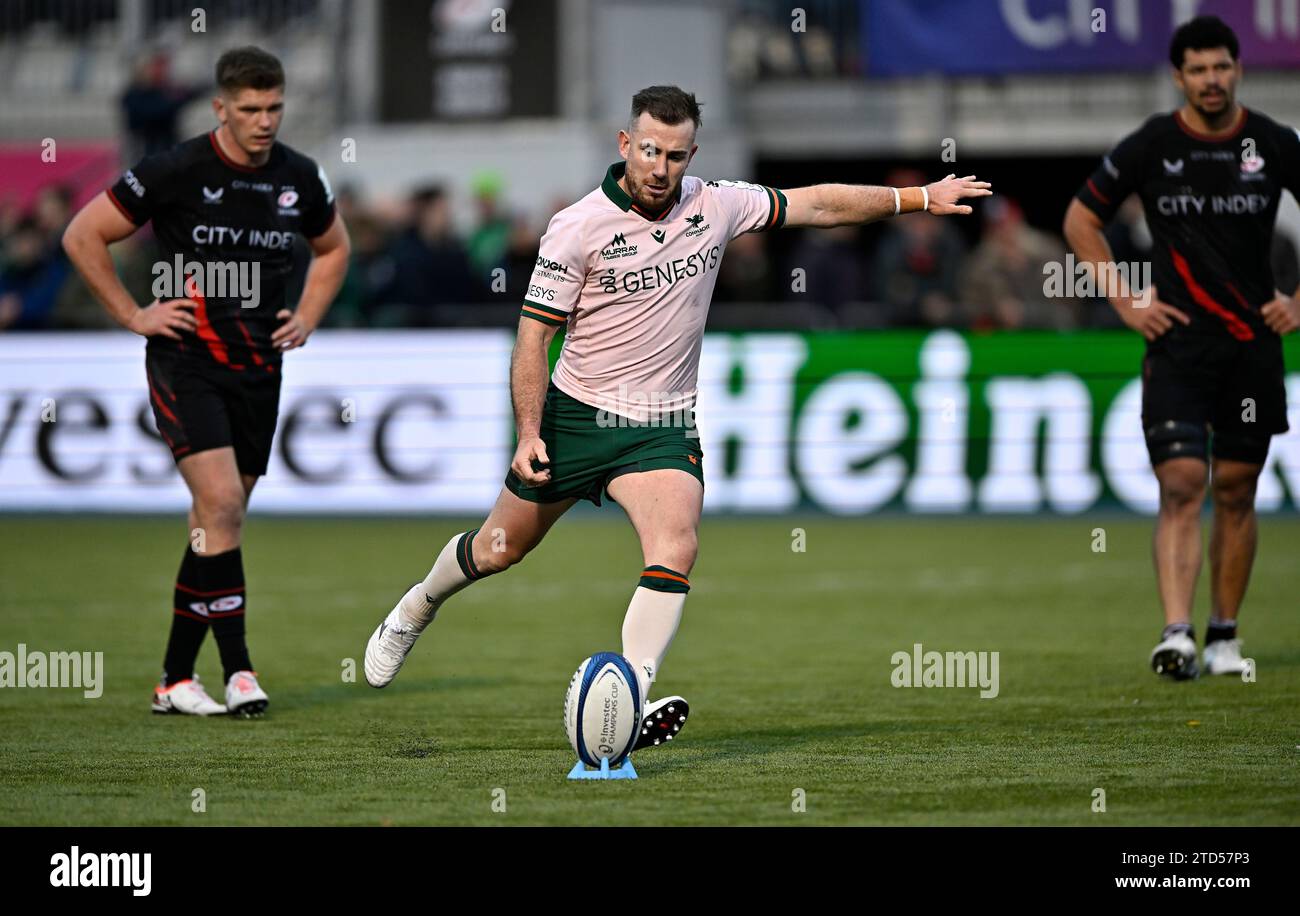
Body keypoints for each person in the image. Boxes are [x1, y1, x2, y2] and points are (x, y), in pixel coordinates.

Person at [363, 85, 989, 753]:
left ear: (692, 154)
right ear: (626, 145)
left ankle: (630, 693)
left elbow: (816, 203)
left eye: (677, 155)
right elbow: (531, 339)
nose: (662, 167)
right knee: (498, 551)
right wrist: (527, 433)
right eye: (651, 151)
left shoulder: (714, 204)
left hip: (661, 425)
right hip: (576, 417)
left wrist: (918, 198)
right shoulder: (575, 227)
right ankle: (416, 606)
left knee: (676, 546)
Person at [62, 46, 351, 715]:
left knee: (215, 522)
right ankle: (240, 670)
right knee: (221, 507)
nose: (264, 120)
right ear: (220, 107)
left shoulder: (299, 177)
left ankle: (172, 679)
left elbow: (334, 248)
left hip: (259, 368)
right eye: (249, 109)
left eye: (274, 107)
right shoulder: (176, 168)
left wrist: (307, 314)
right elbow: (83, 235)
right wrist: (134, 313)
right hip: (187, 361)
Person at [1063, 15, 1300, 680]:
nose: (1211, 79)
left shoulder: (1274, 143)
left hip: (1252, 345)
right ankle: (1177, 635)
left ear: (1238, 69)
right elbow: (1081, 218)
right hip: (1175, 343)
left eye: (1221, 66)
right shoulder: (1151, 145)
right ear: (1179, 77)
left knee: (1235, 487)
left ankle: (1223, 637)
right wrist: (1124, 299)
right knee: (1182, 482)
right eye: (1197, 70)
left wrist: (1297, 301)